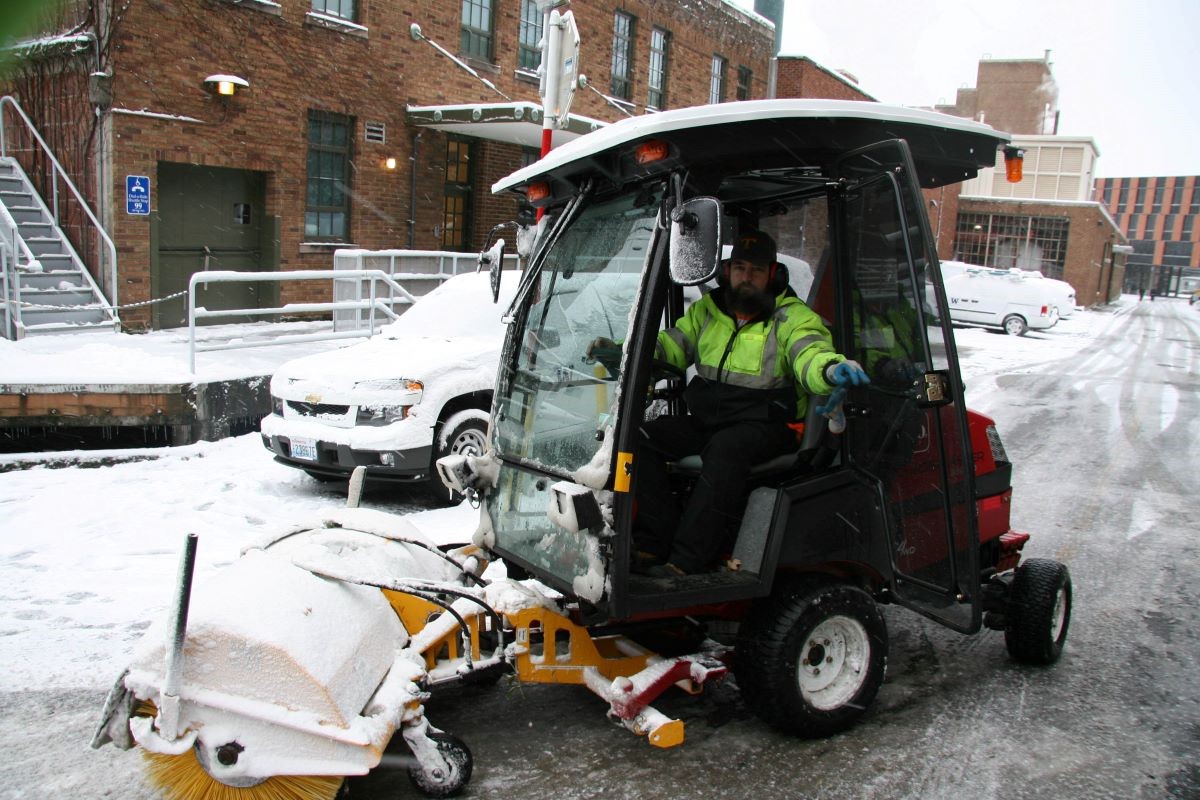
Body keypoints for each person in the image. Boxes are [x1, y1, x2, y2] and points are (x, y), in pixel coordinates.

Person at [629, 230, 868, 576]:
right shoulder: (707, 311)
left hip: (768, 424)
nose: (746, 278)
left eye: (755, 271)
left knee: (726, 448)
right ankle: (653, 542)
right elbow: (674, 346)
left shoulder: (791, 316)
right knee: (639, 437)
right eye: (739, 268)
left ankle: (685, 563)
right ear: (727, 270)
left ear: (772, 274)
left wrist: (830, 369)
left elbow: (809, 352)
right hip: (710, 418)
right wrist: (632, 354)